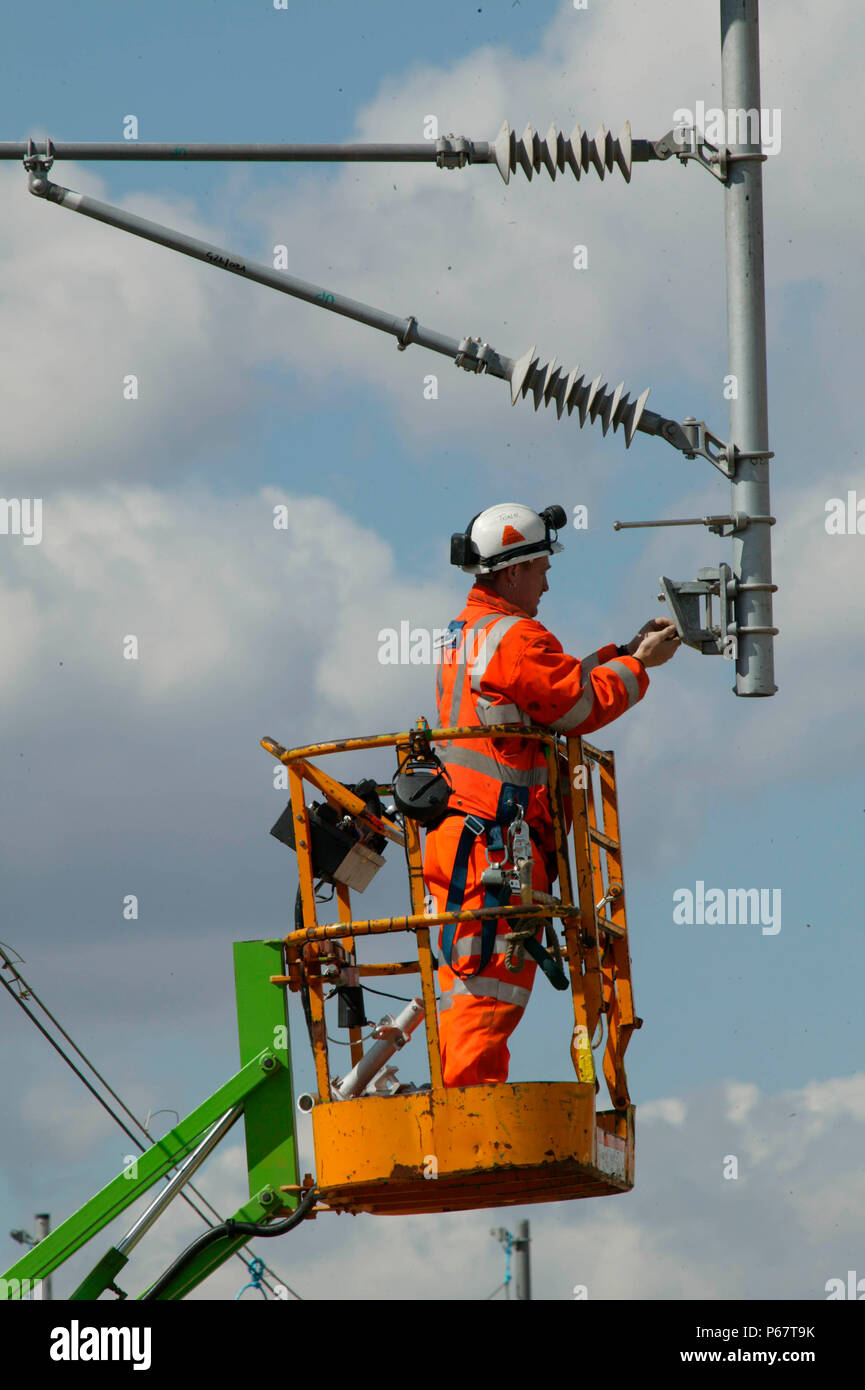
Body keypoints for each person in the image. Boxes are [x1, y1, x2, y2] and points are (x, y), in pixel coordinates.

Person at [423, 501, 679, 1087]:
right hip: (494, 845)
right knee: (487, 992)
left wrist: (622, 651)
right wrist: (640, 669)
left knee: (471, 983)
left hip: (466, 840)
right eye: (540, 567)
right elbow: (575, 706)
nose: (547, 580)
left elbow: (551, 686)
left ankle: (467, 1111)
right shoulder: (516, 636)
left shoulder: (474, 631)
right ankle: (471, 1123)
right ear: (512, 572)